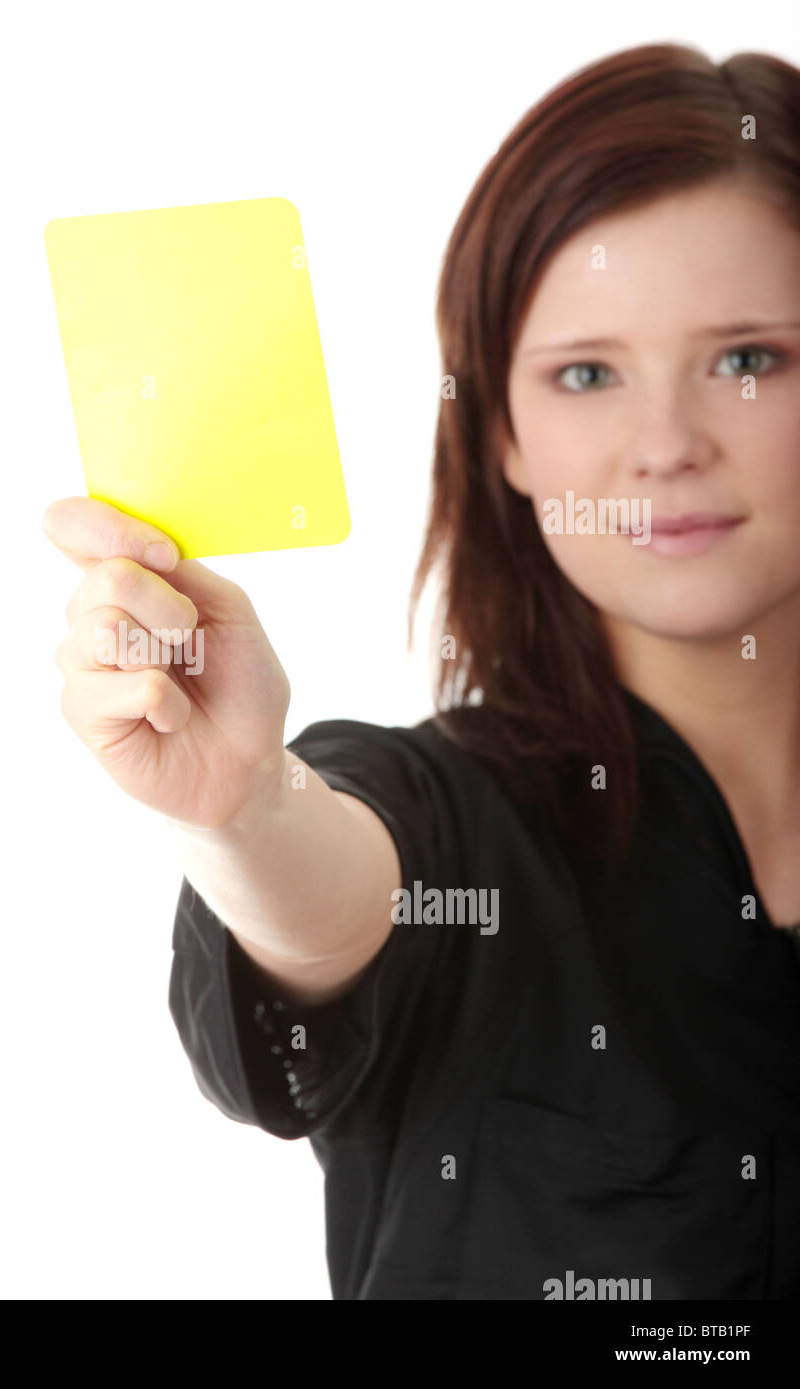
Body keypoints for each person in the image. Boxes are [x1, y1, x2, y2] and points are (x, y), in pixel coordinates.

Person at [42, 42, 800, 1299]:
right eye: (586, 374)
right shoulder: (451, 824)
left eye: (748, 359)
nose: (665, 445)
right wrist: (244, 808)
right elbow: (344, 897)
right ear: (502, 430)